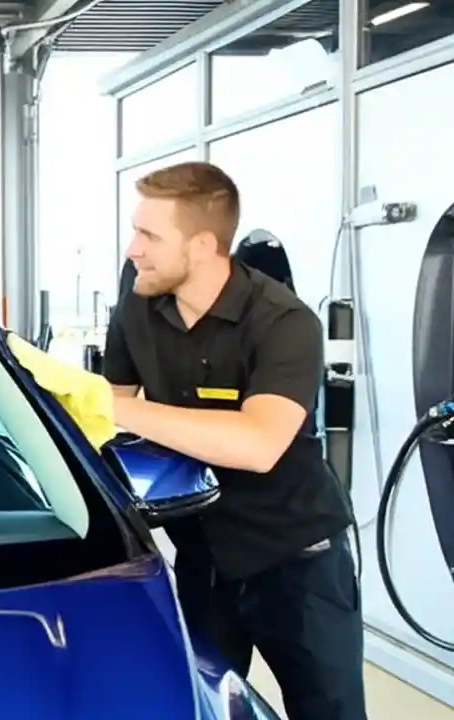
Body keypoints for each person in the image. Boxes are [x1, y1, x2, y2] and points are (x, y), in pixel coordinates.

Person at [103, 161, 366, 720]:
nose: (133, 249)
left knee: (330, 711)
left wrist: (125, 408)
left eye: (148, 235)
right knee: (191, 707)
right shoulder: (135, 312)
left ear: (202, 245)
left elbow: (258, 444)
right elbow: (104, 423)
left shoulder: (284, 321)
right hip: (202, 556)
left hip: (295, 561)